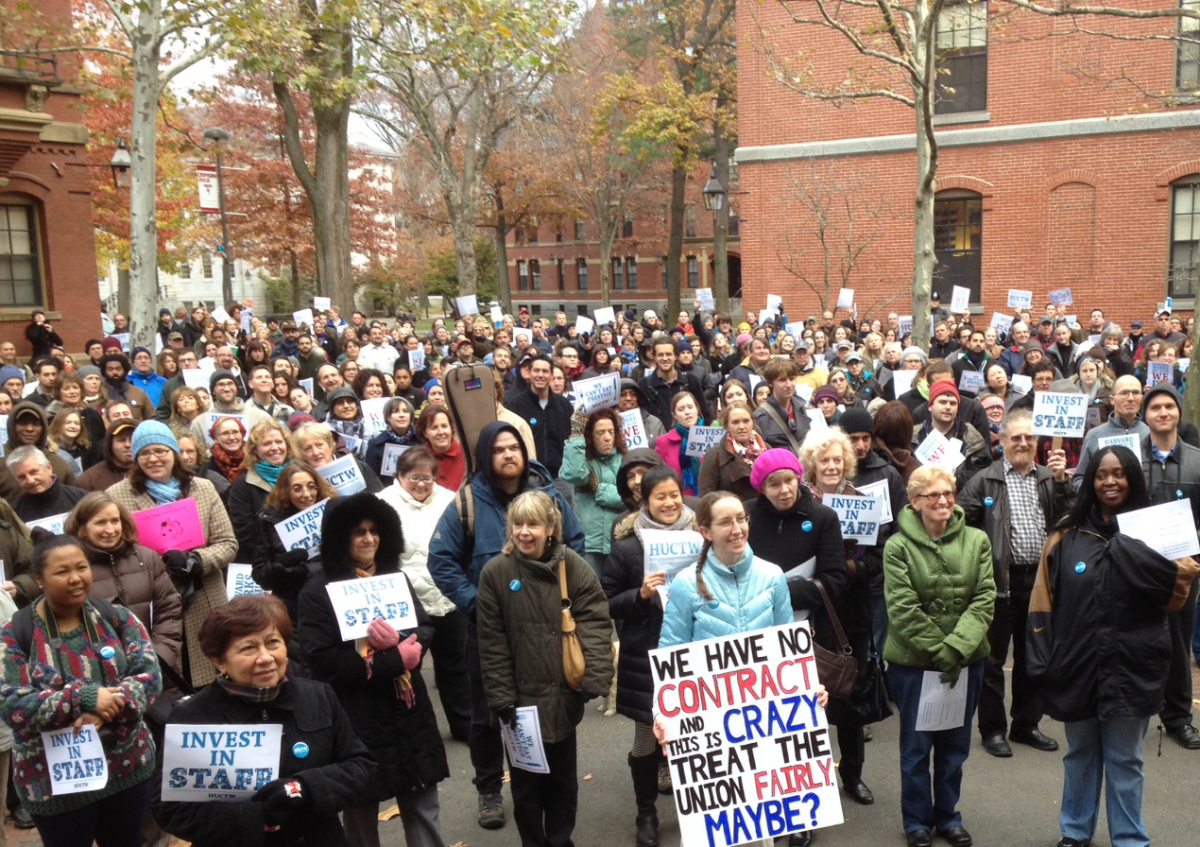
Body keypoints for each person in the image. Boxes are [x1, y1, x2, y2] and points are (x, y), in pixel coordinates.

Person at [1028, 446, 1199, 847]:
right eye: (1102, 474)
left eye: (1119, 473)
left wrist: (1130, 548)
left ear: (1132, 478)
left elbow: (1177, 594)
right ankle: (1075, 830)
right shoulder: (1066, 534)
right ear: (1090, 480)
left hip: (1134, 664)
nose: (1110, 481)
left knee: (1126, 758)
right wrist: (1042, 659)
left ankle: (1129, 838)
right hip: (1077, 662)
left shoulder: (1155, 531)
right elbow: (1042, 599)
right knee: (1080, 753)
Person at [427, 422, 585, 830]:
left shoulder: (549, 495)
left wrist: (560, 598)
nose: (508, 455)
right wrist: (476, 603)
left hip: (545, 629)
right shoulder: (467, 502)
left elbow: (576, 544)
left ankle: (543, 781)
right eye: (498, 450)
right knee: (487, 715)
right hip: (487, 631)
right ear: (486, 456)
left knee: (544, 706)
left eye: (514, 447)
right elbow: (441, 560)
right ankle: (489, 788)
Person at [657, 490, 829, 847]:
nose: (737, 528)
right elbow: (671, 650)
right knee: (722, 827)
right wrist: (662, 713)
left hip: (764, 715)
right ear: (706, 531)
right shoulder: (686, 584)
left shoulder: (772, 576)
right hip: (711, 720)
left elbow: (786, 642)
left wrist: (808, 685)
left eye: (741, 518)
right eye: (725, 522)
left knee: (765, 822)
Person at [152, 595, 373, 846]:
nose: (266, 657)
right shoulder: (192, 717)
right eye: (248, 648)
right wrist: (254, 816)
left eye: (273, 643)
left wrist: (305, 788)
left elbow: (360, 768)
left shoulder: (318, 696)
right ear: (219, 661)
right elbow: (170, 809)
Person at [298, 493, 449, 847]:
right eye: (359, 532)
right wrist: (393, 660)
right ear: (340, 538)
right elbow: (322, 661)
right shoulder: (316, 591)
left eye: (375, 530)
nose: (369, 539)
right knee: (360, 811)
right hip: (356, 717)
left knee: (422, 803)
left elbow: (424, 626)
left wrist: (404, 641)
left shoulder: (394, 577)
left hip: (408, 711)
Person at [0, 536, 161, 847]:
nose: (75, 578)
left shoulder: (116, 617)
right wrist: (81, 699)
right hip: (53, 783)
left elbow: (149, 677)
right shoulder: (15, 633)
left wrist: (107, 706)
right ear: (39, 579)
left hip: (126, 768)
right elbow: (12, 705)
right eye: (62, 571)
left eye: (82, 568)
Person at [476, 490, 614, 847]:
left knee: (563, 785)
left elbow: (596, 621)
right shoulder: (496, 573)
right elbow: (491, 643)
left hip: (563, 695)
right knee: (525, 789)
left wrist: (594, 677)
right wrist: (502, 698)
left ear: (550, 528)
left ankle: (560, 841)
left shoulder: (573, 566)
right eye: (518, 524)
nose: (524, 532)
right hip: (520, 704)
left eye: (533, 524)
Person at [883, 465, 995, 847]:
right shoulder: (897, 547)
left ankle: (948, 816)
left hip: (966, 662)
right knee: (916, 750)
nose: (943, 500)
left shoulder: (977, 540)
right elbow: (902, 608)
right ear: (915, 502)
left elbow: (984, 598)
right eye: (933, 494)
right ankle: (917, 821)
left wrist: (957, 648)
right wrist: (941, 650)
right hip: (914, 667)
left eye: (948, 492)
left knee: (955, 748)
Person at [958, 410, 1072, 759]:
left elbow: (1071, 518)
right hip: (998, 582)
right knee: (992, 661)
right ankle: (992, 730)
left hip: (1039, 583)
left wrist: (1063, 483)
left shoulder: (1049, 478)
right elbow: (960, 524)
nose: (1023, 443)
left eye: (1029, 437)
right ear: (1002, 441)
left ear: (1037, 442)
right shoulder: (985, 480)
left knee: (1033, 657)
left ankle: (1025, 724)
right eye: (1016, 437)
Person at [603, 466, 695, 847]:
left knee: (695, 734)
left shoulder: (701, 537)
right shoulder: (628, 547)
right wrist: (639, 596)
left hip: (695, 648)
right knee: (646, 735)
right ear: (645, 500)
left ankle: (699, 809)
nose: (670, 503)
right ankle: (646, 813)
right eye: (660, 497)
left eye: (675, 495)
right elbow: (607, 602)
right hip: (647, 654)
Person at [109, 422, 237, 688]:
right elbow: (115, 549)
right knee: (168, 680)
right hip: (153, 600)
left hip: (203, 595)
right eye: (145, 453)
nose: (153, 458)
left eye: (160, 450)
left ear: (174, 453)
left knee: (210, 674)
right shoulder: (117, 495)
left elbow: (227, 543)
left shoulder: (203, 488)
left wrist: (196, 560)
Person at [375, 447, 471, 741]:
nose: (421, 484)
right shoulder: (382, 504)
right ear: (400, 475)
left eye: (427, 478)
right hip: (408, 605)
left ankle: (464, 725)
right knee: (407, 668)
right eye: (414, 478)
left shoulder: (450, 500)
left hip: (447, 598)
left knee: (455, 666)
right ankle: (409, 730)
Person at [1136, 383, 1200, 749]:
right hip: (1138, 568)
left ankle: (1178, 719)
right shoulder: (1130, 458)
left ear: (1178, 413)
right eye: (1155, 407)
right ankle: (1134, 713)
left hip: (1182, 569)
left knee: (1177, 642)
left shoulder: (1197, 460)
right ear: (1145, 415)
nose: (1163, 412)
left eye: (1169, 406)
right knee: (1136, 640)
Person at [65, 491, 183, 672]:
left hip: (157, 670)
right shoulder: (73, 569)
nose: (110, 530)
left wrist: (157, 658)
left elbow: (169, 611)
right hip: (101, 674)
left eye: (115, 521)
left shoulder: (147, 558)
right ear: (83, 528)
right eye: (100, 523)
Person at [250, 461, 335, 621]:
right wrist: (279, 565)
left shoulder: (333, 513)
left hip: (329, 602)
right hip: (291, 609)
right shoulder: (267, 520)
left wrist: (306, 569)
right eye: (297, 489)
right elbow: (261, 577)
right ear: (285, 491)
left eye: (311, 487)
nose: (306, 494)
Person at [560, 407, 627, 576]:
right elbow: (574, 474)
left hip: (619, 542)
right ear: (590, 436)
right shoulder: (583, 460)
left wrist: (599, 489)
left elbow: (630, 497)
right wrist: (576, 434)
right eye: (600, 433)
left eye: (611, 432)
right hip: (591, 542)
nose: (607, 437)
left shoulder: (625, 459)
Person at [227, 419, 295, 562]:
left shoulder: (301, 474)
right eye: (267, 443)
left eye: (279, 441)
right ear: (255, 451)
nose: (274, 447)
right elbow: (245, 533)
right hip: (266, 561)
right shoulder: (243, 485)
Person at [638, 336, 713, 430]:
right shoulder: (644, 385)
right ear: (654, 357)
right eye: (660, 355)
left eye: (669, 354)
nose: (665, 358)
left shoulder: (691, 381)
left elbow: (704, 413)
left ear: (676, 356)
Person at [289, 421, 384, 493]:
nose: (316, 452)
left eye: (319, 445)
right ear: (302, 454)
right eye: (308, 449)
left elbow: (379, 495)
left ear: (330, 445)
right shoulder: (303, 480)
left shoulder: (357, 466)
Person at [699, 401, 765, 501]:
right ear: (726, 426)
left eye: (746, 421)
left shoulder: (766, 450)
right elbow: (706, 498)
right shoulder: (714, 455)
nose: (742, 427)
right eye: (735, 422)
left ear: (752, 422)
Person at [8, 446, 87, 524]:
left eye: (34, 472)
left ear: (49, 468)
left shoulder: (81, 499)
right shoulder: (15, 514)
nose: (30, 481)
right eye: (22, 477)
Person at [653, 391, 705, 497]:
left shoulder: (710, 436)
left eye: (690, 407)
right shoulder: (664, 442)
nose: (687, 412)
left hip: (708, 498)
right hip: (680, 499)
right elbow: (659, 477)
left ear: (697, 409)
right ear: (674, 415)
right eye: (681, 409)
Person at [753, 357, 810, 452]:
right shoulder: (760, 417)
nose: (789, 385)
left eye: (792, 379)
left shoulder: (800, 407)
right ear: (770, 383)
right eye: (782, 380)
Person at [365, 397, 417, 486]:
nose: (401, 415)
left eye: (405, 411)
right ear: (387, 417)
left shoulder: (421, 441)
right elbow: (372, 479)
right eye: (395, 411)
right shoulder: (375, 445)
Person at [413, 404, 465, 491]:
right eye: (434, 428)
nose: (440, 432)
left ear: (451, 428)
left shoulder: (467, 456)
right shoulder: (417, 458)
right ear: (425, 433)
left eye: (444, 426)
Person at [76, 419, 136, 492]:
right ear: (110, 444)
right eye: (121, 440)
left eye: (132, 439)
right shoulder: (90, 479)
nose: (128, 445)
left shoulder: (147, 474)